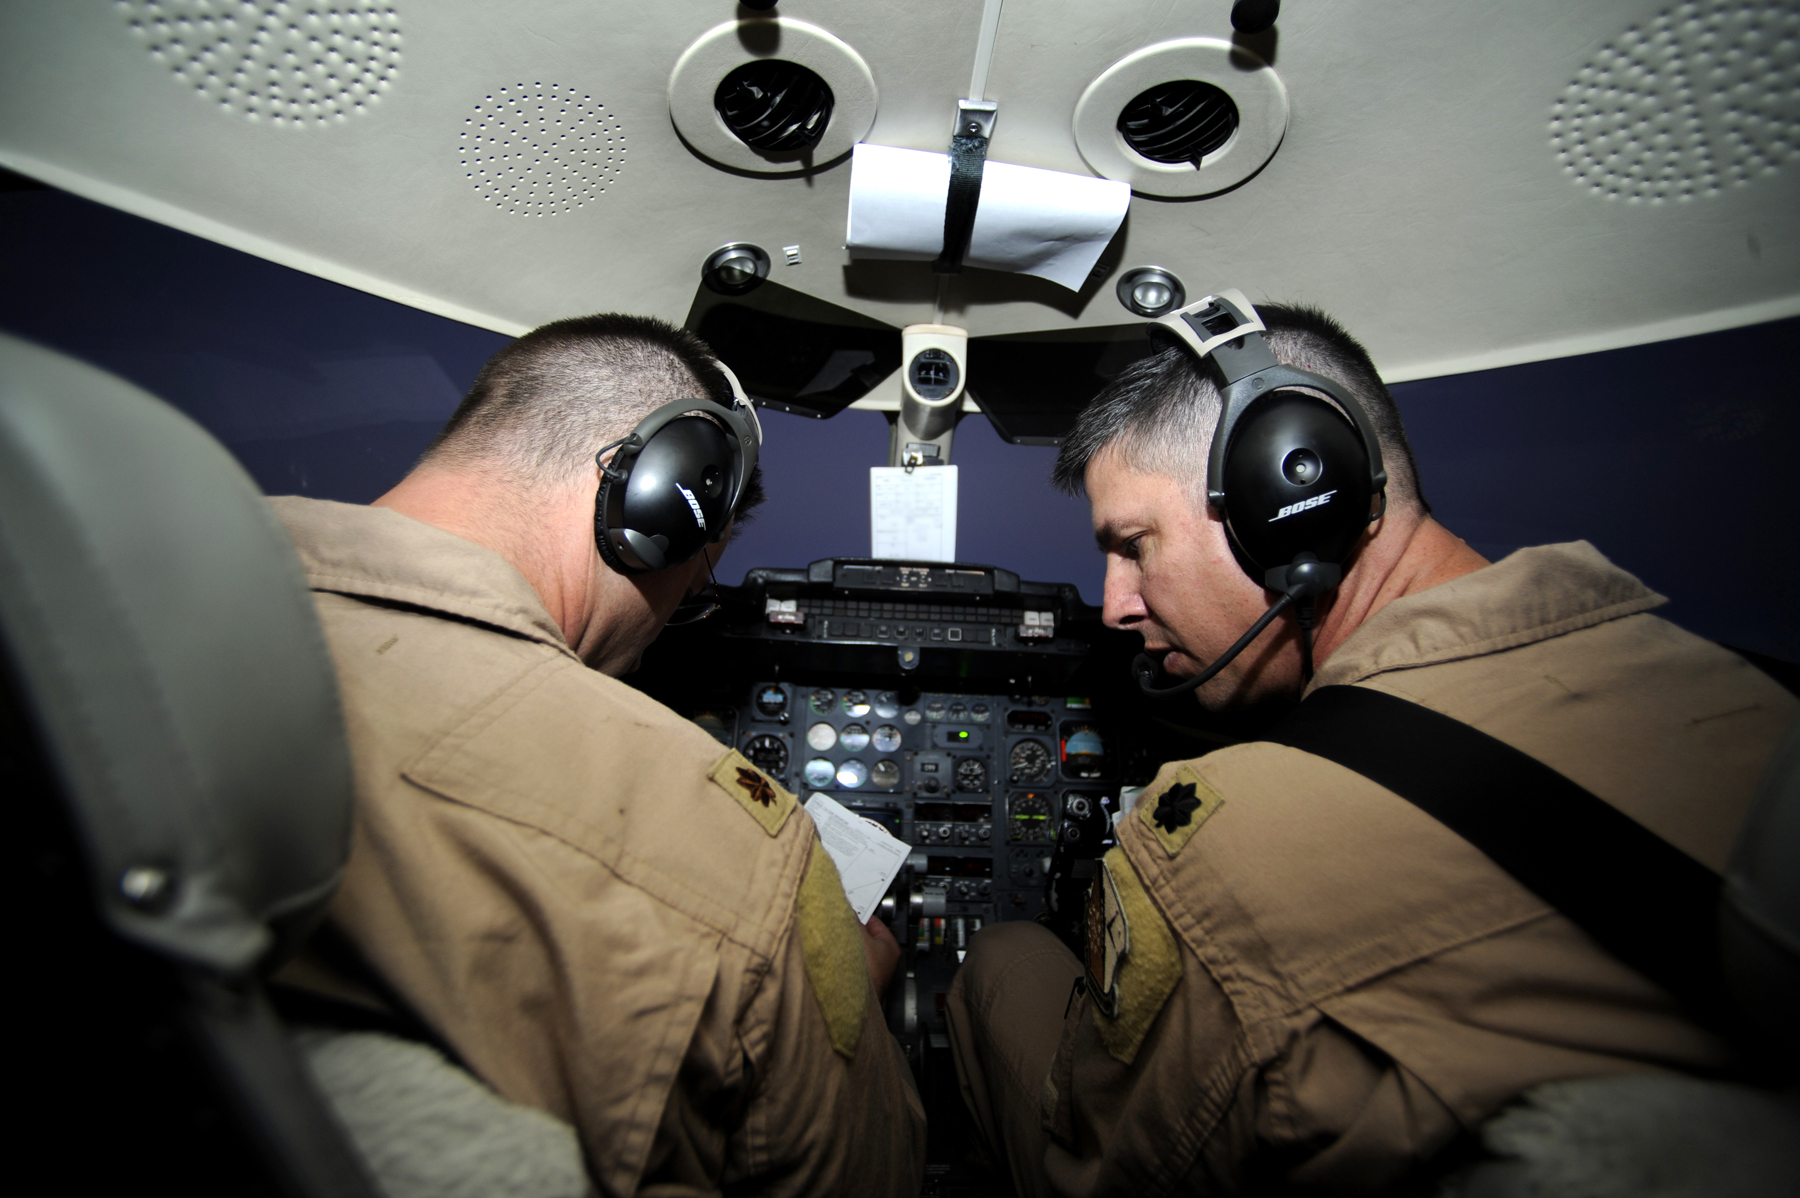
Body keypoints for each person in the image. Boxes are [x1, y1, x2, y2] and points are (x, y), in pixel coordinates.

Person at [945, 302, 1797, 1195]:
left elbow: (1110, 1169)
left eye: (1132, 545)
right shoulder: (1752, 692)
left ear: (1289, 505)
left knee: (1002, 959)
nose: (1115, 603)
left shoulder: (1227, 846)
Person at [270, 314, 925, 1196]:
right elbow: (865, 1174)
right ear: (660, 502)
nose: (657, 638)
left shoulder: (89, 613)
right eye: (689, 593)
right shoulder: (730, 844)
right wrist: (852, 993)